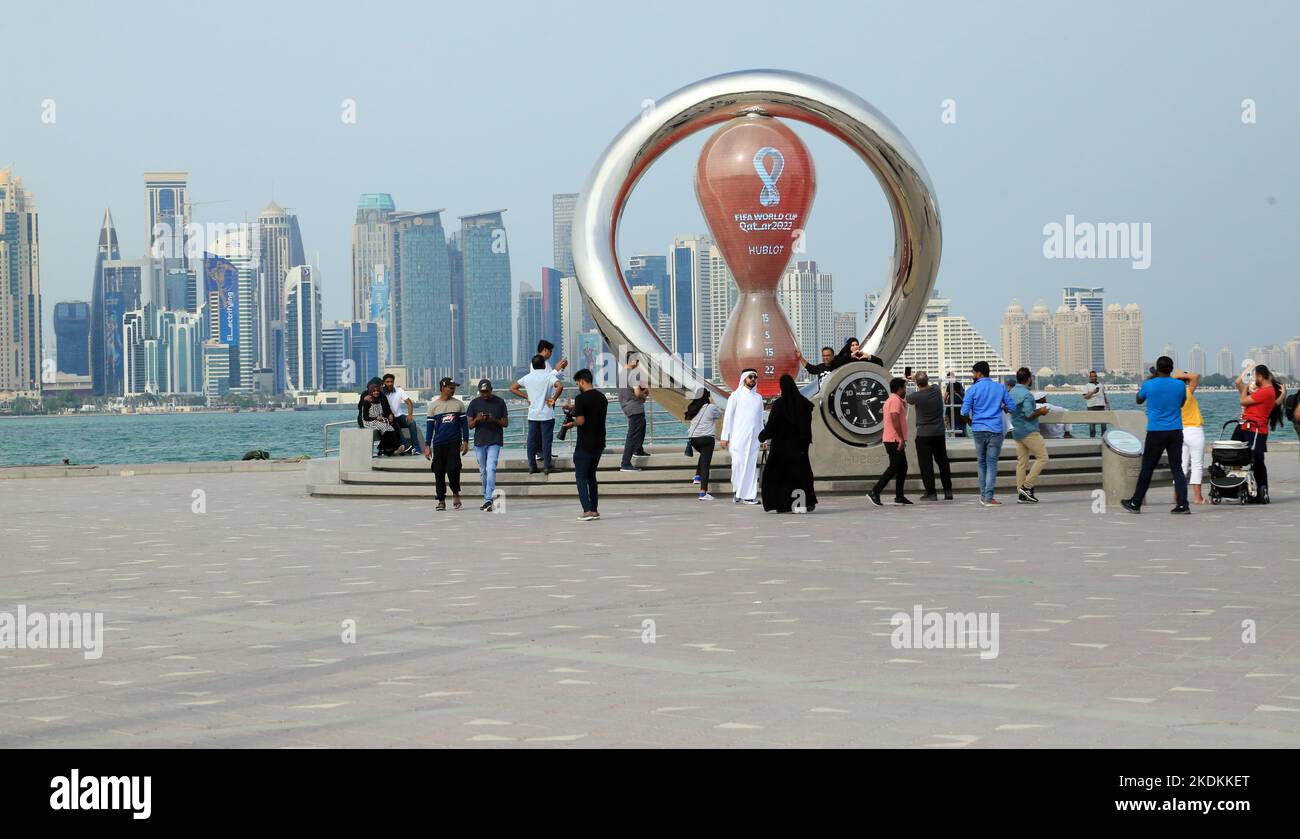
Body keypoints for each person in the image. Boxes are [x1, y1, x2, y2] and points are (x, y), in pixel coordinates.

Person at [1121, 357, 1189, 514]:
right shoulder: (1180, 385)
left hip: (1156, 431)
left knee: (1147, 468)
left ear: (1158, 368)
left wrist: (1149, 381)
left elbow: (1138, 400)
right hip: (1175, 431)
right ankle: (1183, 504)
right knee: (1177, 468)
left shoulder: (1149, 384)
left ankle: (1135, 503)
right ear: (1171, 368)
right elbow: (1181, 403)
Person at [758, 374, 818, 513]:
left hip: (781, 449)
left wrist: (762, 436)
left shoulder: (779, 405)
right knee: (801, 476)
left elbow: (772, 426)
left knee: (779, 477)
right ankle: (803, 503)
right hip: (800, 449)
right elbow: (806, 428)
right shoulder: (804, 404)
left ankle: (783, 504)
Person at [961, 361, 1016, 507]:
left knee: (981, 462)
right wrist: (1000, 409)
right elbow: (1012, 407)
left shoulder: (972, 390)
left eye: (973, 373)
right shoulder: (999, 387)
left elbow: (964, 412)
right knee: (992, 463)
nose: (973, 375)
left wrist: (970, 422)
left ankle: (983, 495)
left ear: (979, 373)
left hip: (978, 429)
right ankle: (988, 497)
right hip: (995, 429)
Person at [1234, 363, 1283, 504]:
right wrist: (1248, 372)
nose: (1254, 379)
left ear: (1260, 377)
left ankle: (1261, 491)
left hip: (1255, 429)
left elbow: (1242, 401)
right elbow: (1275, 403)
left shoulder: (1265, 391)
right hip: (1245, 426)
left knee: (1257, 461)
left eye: (1255, 376)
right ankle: (1239, 487)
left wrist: (1246, 390)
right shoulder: (1262, 392)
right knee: (1233, 455)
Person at [565, 368, 608, 521]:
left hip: (585, 443)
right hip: (599, 442)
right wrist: (574, 409)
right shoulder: (602, 397)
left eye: (578, 383)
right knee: (592, 477)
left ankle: (587, 510)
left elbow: (582, 420)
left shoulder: (581, 398)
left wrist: (571, 424)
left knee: (581, 477)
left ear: (582, 381)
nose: (578, 386)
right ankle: (594, 509)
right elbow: (592, 412)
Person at [510, 355, 563, 474]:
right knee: (546, 441)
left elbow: (512, 388)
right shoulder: (549, 376)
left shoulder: (527, 377)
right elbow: (560, 386)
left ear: (532, 365)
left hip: (533, 414)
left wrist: (526, 397)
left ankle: (532, 466)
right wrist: (554, 398)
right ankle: (547, 466)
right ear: (544, 365)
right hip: (547, 414)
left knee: (531, 441)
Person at [424, 376, 468, 511]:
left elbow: (464, 425)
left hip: (454, 442)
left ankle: (455, 493)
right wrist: (427, 446)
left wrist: (465, 441)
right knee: (438, 471)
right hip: (439, 444)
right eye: (450, 388)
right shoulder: (433, 406)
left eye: (454, 388)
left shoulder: (458, 404)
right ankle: (441, 499)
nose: (453, 390)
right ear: (443, 388)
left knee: (453, 468)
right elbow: (430, 428)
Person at [907, 371, 952, 500]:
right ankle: (948, 491)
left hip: (924, 434)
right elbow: (930, 385)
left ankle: (931, 492)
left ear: (916, 383)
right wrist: (917, 378)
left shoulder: (916, 396)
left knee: (926, 464)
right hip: (938, 433)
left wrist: (907, 380)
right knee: (943, 461)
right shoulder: (936, 390)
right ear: (927, 380)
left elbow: (907, 398)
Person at [721, 368, 764, 505]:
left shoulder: (758, 398)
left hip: (754, 438)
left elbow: (760, 419)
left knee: (751, 467)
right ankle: (737, 491)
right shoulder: (735, 395)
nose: (753, 379)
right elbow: (728, 417)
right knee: (738, 464)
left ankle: (749, 496)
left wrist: (762, 438)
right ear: (744, 378)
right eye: (750, 377)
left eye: (755, 377)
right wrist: (724, 436)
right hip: (738, 438)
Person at [867, 377, 911, 506]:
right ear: (899, 389)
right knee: (894, 467)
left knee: (902, 467)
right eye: (904, 387)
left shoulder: (895, 400)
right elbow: (894, 418)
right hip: (894, 439)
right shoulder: (894, 401)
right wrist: (901, 438)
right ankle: (875, 491)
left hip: (894, 439)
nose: (905, 390)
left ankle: (899, 496)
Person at [1009, 367, 1050, 504]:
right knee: (1043, 457)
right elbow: (1029, 414)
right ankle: (1026, 487)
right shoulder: (1027, 394)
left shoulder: (1012, 392)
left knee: (1022, 463)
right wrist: (1041, 411)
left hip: (1017, 431)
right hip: (1029, 431)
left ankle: (1021, 494)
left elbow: (1008, 408)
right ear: (1028, 379)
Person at [466, 378, 508, 512]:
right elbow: (469, 425)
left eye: (487, 391)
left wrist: (493, 419)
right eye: (482, 392)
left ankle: (489, 498)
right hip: (480, 441)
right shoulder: (474, 403)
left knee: (491, 468)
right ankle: (486, 497)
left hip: (495, 440)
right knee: (483, 471)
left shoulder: (500, 402)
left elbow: (505, 423)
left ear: (491, 390)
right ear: (479, 391)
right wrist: (478, 419)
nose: (485, 394)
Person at [684, 387, 723, 501]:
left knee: (703, 456)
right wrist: (713, 402)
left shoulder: (693, 407)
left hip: (693, 439)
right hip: (706, 439)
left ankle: (697, 476)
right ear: (707, 396)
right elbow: (720, 414)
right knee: (705, 465)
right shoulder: (710, 407)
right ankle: (703, 493)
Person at [1174, 369, 1206, 504]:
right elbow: (1196, 375)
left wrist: (1175, 377)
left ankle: (1176, 496)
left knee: (1181, 466)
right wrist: (1181, 375)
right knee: (1197, 465)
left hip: (1180, 431)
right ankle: (1198, 497)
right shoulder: (1187, 392)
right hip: (1194, 431)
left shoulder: (1172, 395)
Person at [618, 354, 651, 472]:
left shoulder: (622, 373)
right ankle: (625, 463)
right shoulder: (633, 373)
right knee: (632, 435)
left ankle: (638, 450)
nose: (638, 364)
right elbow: (637, 392)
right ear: (632, 361)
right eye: (638, 361)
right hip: (635, 407)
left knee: (641, 426)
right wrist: (644, 395)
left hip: (626, 406)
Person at [357, 377, 401, 455]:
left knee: (393, 424)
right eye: (380, 385)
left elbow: (386, 407)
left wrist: (390, 414)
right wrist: (364, 400)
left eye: (381, 386)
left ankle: (391, 448)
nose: (381, 387)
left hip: (379, 417)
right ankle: (393, 447)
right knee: (384, 427)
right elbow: (360, 408)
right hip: (367, 419)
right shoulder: (365, 394)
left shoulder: (381, 395)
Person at [382, 373, 419, 455]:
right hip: (389, 418)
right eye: (387, 382)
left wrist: (410, 415)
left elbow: (409, 403)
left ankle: (416, 448)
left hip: (400, 416)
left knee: (412, 423)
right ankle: (406, 447)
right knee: (396, 425)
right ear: (384, 383)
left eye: (391, 381)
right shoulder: (381, 393)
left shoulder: (399, 390)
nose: (390, 384)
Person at [1083, 370, 1109, 438]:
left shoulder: (1101, 385)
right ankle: (1092, 439)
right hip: (1091, 407)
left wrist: (1108, 406)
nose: (1093, 378)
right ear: (1090, 377)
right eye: (1092, 376)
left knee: (1103, 425)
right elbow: (1085, 397)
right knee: (1092, 425)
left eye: (1095, 376)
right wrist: (1093, 392)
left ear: (1096, 376)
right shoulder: (1087, 386)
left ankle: (1103, 439)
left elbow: (1104, 395)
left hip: (1101, 406)